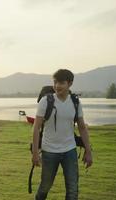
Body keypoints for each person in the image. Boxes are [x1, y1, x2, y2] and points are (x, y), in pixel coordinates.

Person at [32, 69, 93, 200]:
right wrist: (36, 152)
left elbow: (82, 127)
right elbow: (36, 127)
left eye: (61, 83)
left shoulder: (75, 102)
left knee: (72, 189)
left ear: (70, 83)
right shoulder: (45, 101)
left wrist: (88, 151)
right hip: (49, 151)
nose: (57, 86)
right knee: (45, 187)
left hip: (69, 150)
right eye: (55, 82)